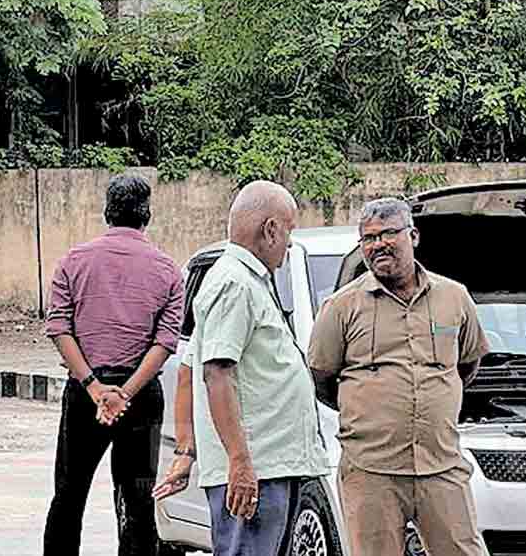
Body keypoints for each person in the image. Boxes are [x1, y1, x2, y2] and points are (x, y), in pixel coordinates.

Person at [153, 180, 328, 556]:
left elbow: (191, 364)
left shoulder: (244, 280)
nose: (290, 243)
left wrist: (188, 454)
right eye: (289, 231)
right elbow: (216, 373)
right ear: (270, 230)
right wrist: (240, 463)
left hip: (268, 465)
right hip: (255, 469)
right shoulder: (233, 282)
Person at [308, 197, 489, 555]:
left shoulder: (454, 298)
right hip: (371, 470)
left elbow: (466, 365)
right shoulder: (342, 307)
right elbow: (322, 378)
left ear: (413, 236)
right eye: (368, 238)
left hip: (441, 466)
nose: (378, 245)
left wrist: (432, 401)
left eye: (388, 234)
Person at [42, 174, 185, 556]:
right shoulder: (168, 269)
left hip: (86, 394)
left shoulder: (73, 261)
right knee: (137, 504)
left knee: (68, 497)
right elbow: (165, 342)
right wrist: (125, 393)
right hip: (139, 397)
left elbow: (58, 327)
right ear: (147, 215)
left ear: (107, 212)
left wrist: (94, 388)